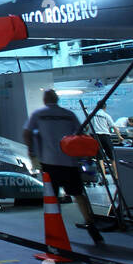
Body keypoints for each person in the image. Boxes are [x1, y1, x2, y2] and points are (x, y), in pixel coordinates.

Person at [23, 90, 104, 245]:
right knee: (78, 195)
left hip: (49, 162)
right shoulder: (69, 114)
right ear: (57, 99)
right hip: (69, 162)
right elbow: (82, 133)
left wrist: (31, 150)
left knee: (52, 198)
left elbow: (27, 132)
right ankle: (91, 226)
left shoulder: (38, 114)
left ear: (45, 100)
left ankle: (57, 229)